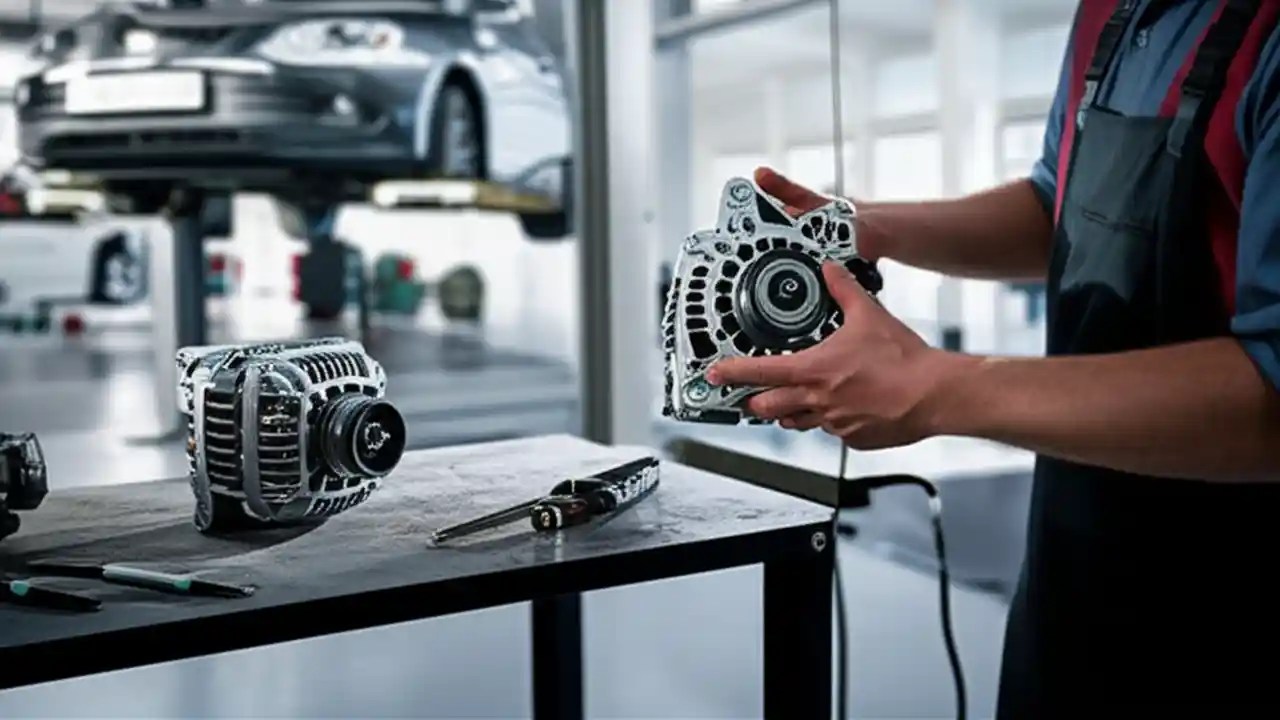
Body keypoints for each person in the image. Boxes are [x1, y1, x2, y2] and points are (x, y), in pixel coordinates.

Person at [707, 0, 1280, 714]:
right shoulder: (1109, 12)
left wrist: (938, 389)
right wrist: (863, 226)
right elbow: (1056, 204)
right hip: (1075, 568)